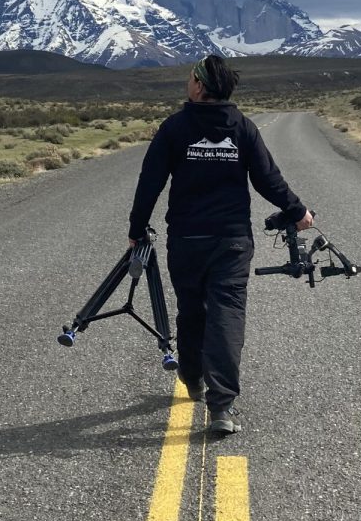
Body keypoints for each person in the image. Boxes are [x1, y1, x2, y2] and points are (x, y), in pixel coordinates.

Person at [127, 54, 312, 434]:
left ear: (199, 85)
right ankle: (221, 407)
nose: (186, 82)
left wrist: (137, 227)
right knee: (227, 314)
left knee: (192, 311)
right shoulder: (242, 128)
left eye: (189, 77)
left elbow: (151, 181)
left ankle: (193, 378)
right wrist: (297, 211)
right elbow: (267, 179)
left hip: (187, 238)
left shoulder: (175, 128)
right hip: (231, 240)